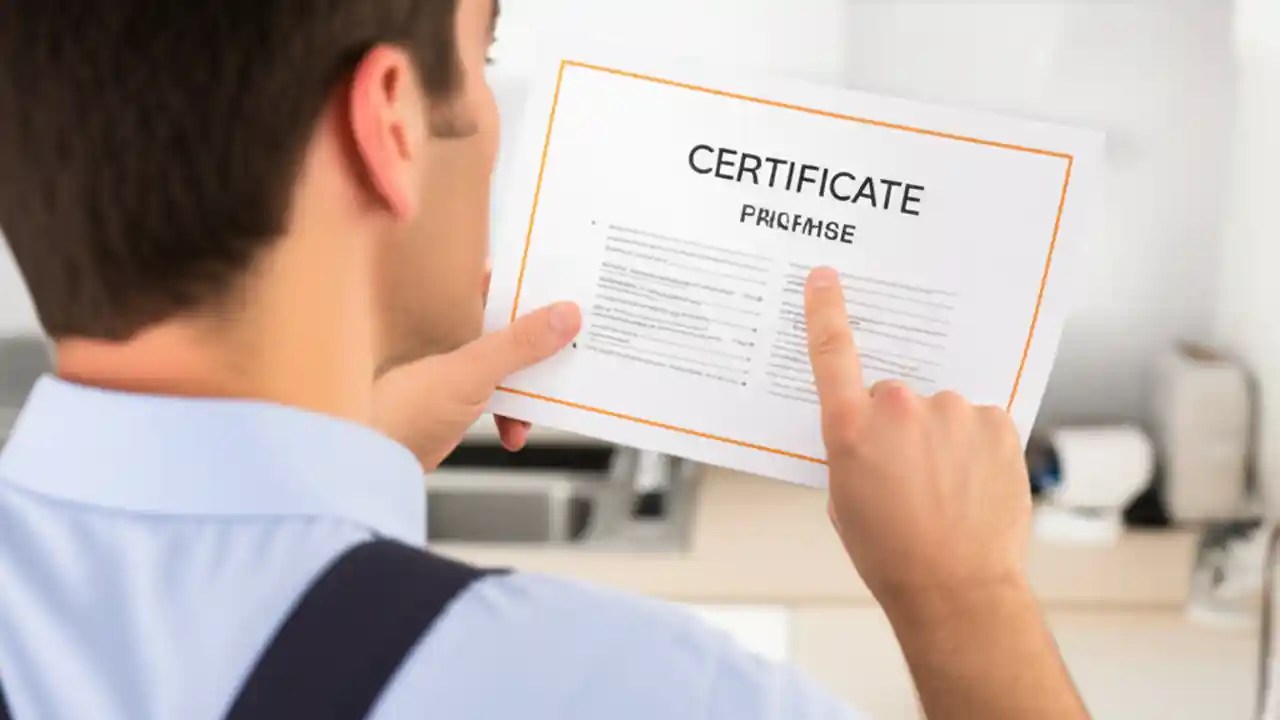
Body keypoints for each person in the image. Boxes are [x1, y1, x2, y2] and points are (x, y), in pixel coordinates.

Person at [0, 1, 1089, 718]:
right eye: (482, 58)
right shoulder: (639, 694)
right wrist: (966, 600)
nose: (488, 105)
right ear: (388, 121)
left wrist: (348, 456)